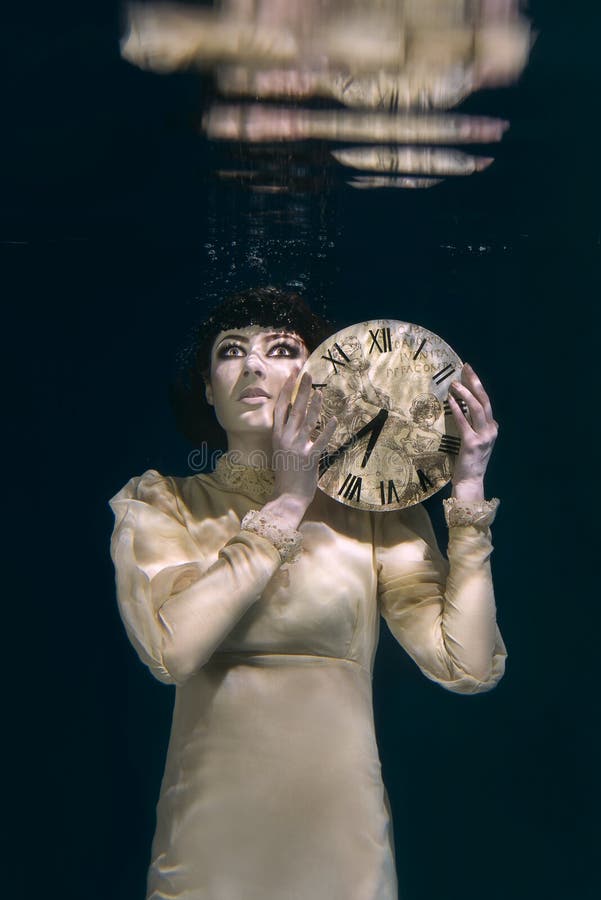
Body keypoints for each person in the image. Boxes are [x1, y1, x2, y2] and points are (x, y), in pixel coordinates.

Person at [108, 286, 506, 900]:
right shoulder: (163, 503)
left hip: (344, 850)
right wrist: (288, 505)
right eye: (230, 351)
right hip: (210, 852)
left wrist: (469, 497)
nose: (253, 365)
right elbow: (171, 652)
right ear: (209, 388)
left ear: (322, 376)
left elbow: (468, 665)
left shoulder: (373, 513)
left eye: (281, 349)